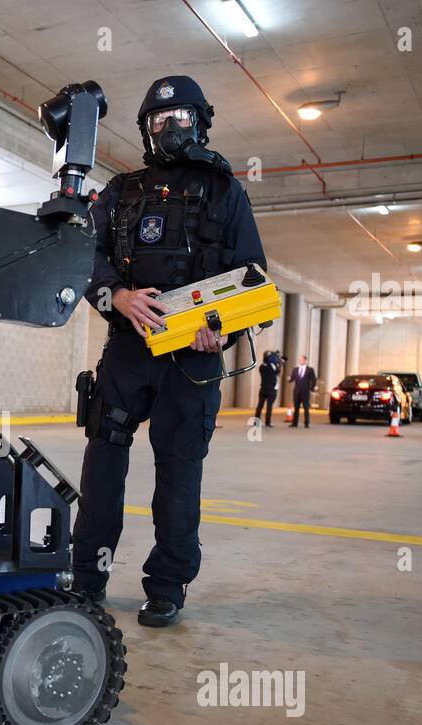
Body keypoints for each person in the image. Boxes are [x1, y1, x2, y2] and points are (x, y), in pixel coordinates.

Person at [71, 74, 266, 628]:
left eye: (178, 118)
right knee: (103, 468)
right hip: (128, 351)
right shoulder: (119, 190)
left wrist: (221, 331)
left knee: (178, 474)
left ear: (200, 122)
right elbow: (87, 254)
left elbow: (251, 275)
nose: (167, 128)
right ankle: (88, 576)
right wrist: (119, 296)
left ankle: (167, 585)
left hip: (194, 359)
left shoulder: (227, 192)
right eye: (157, 121)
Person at [255, 351, 282, 427]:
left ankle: (256, 422)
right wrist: (280, 363)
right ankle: (268, 422)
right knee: (269, 407)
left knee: (260, 406)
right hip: (271, 390)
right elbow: (278, 372)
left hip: (263, 388)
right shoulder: (273, 366)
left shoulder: (261, 366)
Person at [289, 355, 316, 427]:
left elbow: (313, 380)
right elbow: (291, 379)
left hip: (305, 392)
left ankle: (307, 423)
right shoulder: (295, 369)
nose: (300, 361)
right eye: (299, 360)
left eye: (301, 360)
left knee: (306, 408)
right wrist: (289, 379)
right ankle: (294, 423)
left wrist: (311, 388)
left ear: (305, 360)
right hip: (297, 392)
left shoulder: (310, 369)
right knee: (296, 408)